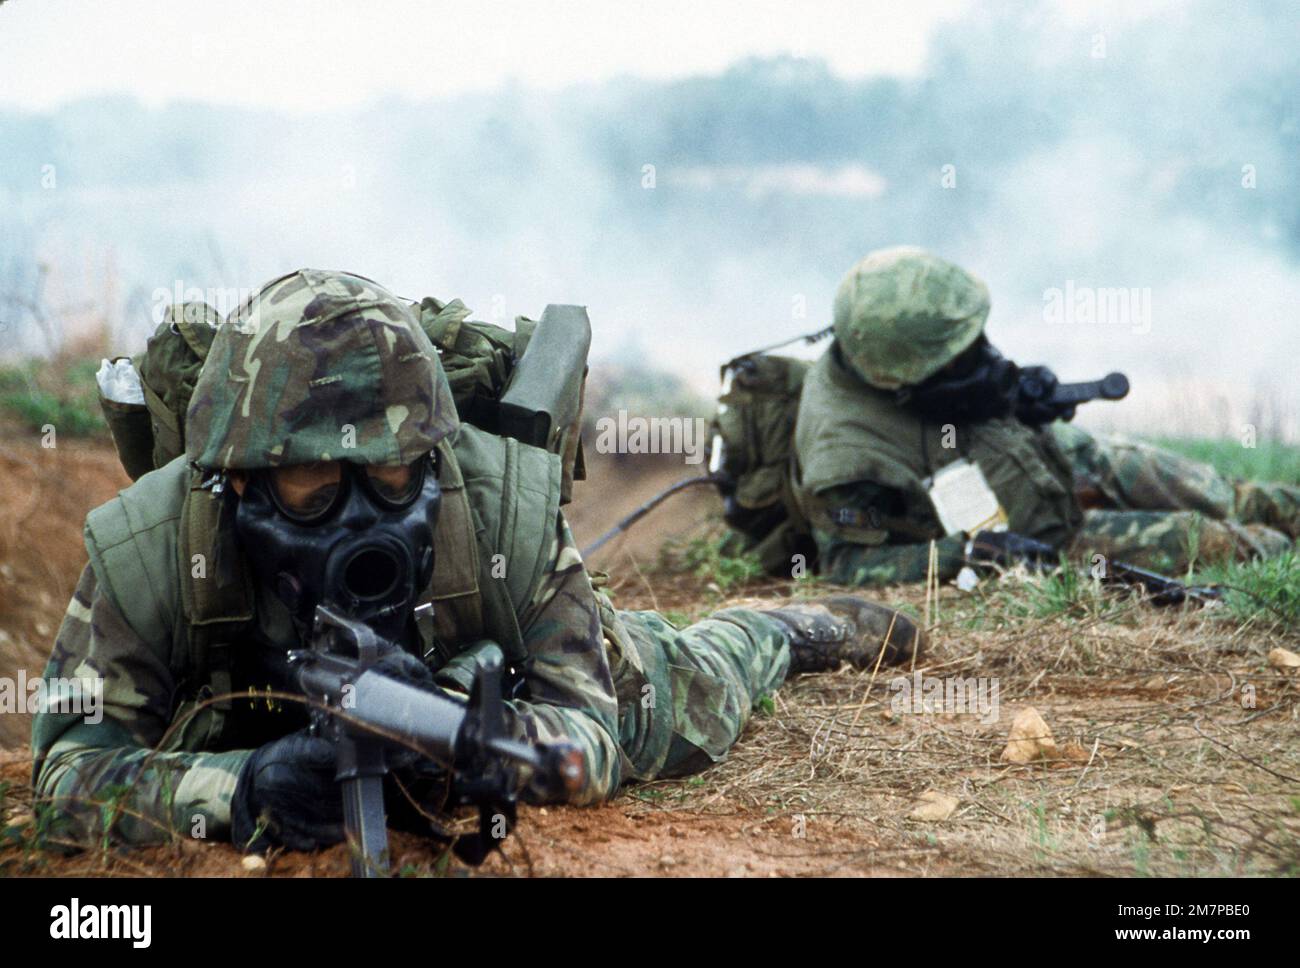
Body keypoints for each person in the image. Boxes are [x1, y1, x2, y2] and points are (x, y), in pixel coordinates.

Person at [31, 268, 923, 852]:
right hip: (253, 709)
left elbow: (589, 735)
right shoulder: (150, 547)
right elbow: (69, 774)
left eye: (385, 473)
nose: (354, 513)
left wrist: (455, 737)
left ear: (430, 460)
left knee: (681, 684)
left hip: (482, 670)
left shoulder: (499, 510)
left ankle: (786, 628)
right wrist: (243, 784)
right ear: (234, 482)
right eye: (308, 479)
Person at [792, 246, 1300, 587]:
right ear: (902, 370)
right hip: (1046, 536)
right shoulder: (844, 453)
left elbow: (951, 383)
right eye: (960, 354)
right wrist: (973, 555)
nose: (977, 353)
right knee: (1236, 544)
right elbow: (846, 563)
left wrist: (1013, 392)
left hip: (1052, 453)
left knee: (1219, 493)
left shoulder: (898, 352)